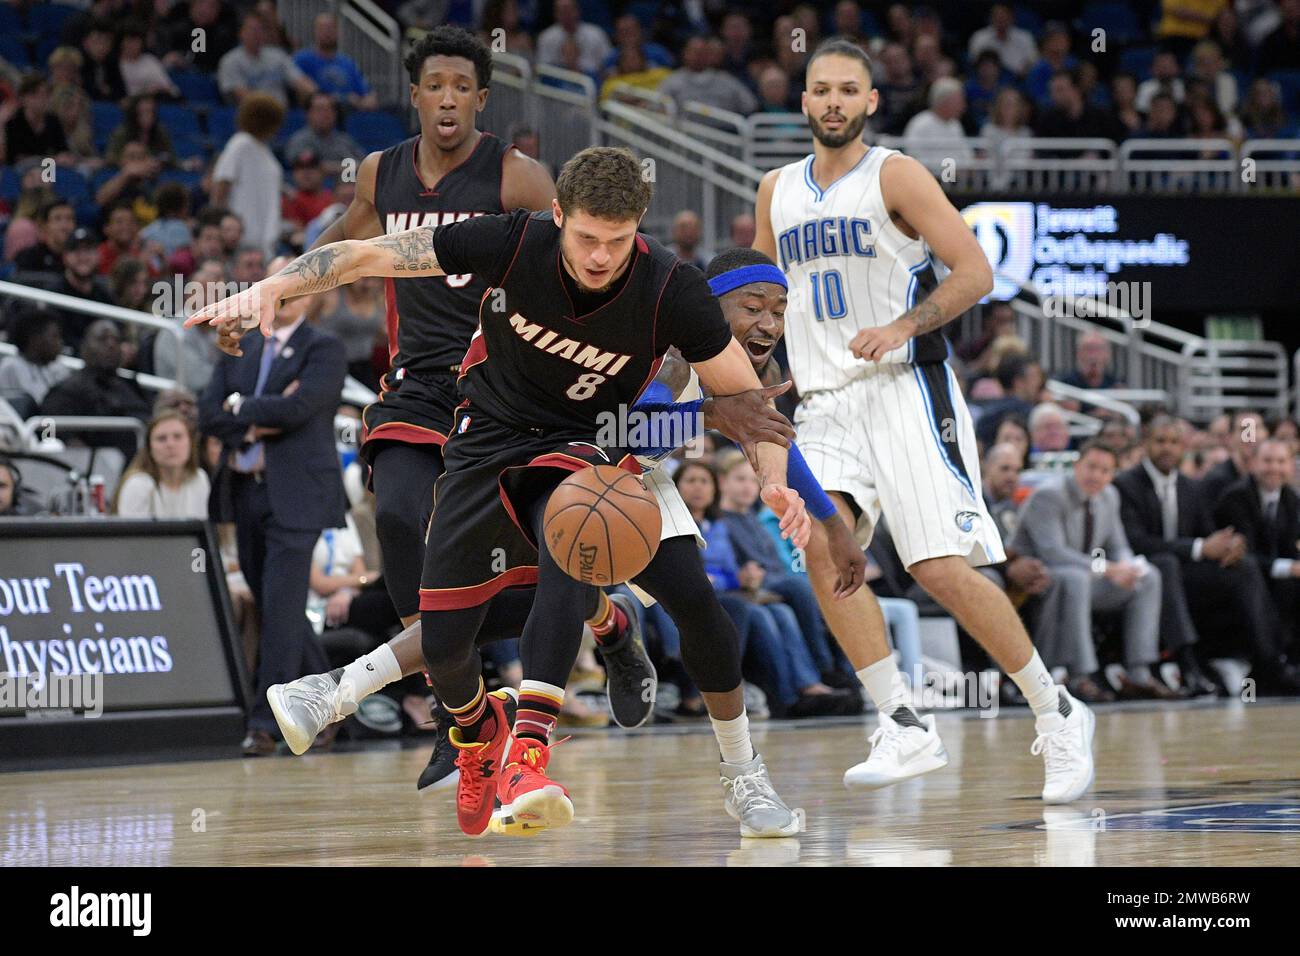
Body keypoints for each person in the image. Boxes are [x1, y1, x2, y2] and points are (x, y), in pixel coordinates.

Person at [188, 146, 811, 838]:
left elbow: (751, 407)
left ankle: (601, 761)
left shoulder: (671, 288)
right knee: (450, 639)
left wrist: (778, 486)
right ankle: (491, 722)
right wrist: (276, 287)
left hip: (594, 449)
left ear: (638, 228)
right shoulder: (513, 242)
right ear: (556, 216)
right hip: (486, 437)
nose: (602, 257)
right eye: (585, 239)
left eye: (617, 241)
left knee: (628, 569)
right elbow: (367, 255)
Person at [755, 38, 1095, 803]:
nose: (834, 101)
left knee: (939, 567)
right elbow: (761, 298)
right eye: (821, 90)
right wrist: (751, 374)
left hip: (907, 386)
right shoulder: (774, 188)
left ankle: (1058, 707)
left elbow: (975, 270)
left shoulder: (896, 174)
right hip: (822, 402)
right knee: (821, 547)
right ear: (803, 102)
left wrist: (904, 327)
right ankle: (902, 721)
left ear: (872, 101)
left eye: (849, 89)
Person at [198, 257, 349, 756]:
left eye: (295, 290)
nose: (284, 298)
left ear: (313, 296)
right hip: (245, 490)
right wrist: (258, 417)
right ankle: (329, 703)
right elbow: (206, 413)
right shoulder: (244, 344)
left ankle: (266, 724)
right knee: (274, 606)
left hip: (297, 494)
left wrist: (240, 408)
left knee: (282, 607)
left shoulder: (324, 347)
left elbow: (302, 409)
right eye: (277, 289)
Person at [1114, 415, 1264, 696]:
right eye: (1160, 441)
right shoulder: (1126, 484)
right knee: (1166, 565)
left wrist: (1228, 545)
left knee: (1244, 568)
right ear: (1146, 444)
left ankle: (1264, 659)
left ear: (1183, 447)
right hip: (1143, 570)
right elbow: (1137, 542)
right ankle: (1188, 665)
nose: (1167, 448)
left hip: (1184, 574)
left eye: (1173, 442)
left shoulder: (1189, 487)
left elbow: (1207, 533)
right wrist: (1198, 548)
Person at [1013, 441, 1173, 699]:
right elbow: (1053, 553)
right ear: (1077, 466)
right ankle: (1081, 676)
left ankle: (1139, 673)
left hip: (1085, 577)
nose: (1096, 475)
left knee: (1149, 577)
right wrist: (1108, 569)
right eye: (1091, 467)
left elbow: (1118, 546)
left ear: (1112, 475)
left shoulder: (1110, 496)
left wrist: (1128, 567)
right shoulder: (1049, 495)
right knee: (1077, 579)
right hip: (1039, 576)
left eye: (1105, 470)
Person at [1213, 438, 1300, 693]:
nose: (1274, 468)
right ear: (1253, 464)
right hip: (1236, 576)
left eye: (1281, 461)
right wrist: (1289, 567)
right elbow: (1243, 555)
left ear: (1291, 467)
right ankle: (1272, 665)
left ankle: (1292, 661)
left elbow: (1291, 547)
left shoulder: (1291, 499)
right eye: (1268, 461)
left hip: (1273, 577)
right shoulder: (1235, 497)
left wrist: (1291, 565)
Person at [39, 319, 152, 461]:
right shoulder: (67, 391)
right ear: (85, 347)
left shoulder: (130, 386)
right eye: (102, 339)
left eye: (115, 340)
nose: (111, 345)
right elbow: (48, 433)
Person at [211, 93, 285, 257]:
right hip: (242, 228)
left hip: (266, 228)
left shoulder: (265, 151)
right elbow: (223, 181)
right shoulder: (240, 143)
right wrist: (217, 223)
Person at [113, 410, 211, 518]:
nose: (170, 444)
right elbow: (132, 533)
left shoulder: (199, 478)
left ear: (190, 443)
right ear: (149, 448)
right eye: (161, 439)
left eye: (178, 437)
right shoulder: (137, 484)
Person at [218, 12, 316, 107]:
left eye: (260, 30)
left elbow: (299, 80)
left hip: (282, 114)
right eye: (252, 29)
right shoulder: (230, 60)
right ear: (241, 33)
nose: (255, 34)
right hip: (249, 115)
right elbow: (241, 95)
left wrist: (317, 96)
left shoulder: (278, 56)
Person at [293, 13, 378, 110]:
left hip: (352, 111)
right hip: (320, 111)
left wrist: (368, 100)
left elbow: (367, 92)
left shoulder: (347, 63)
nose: (327, 33)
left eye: (330, 29)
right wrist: (341, 99)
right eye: (322, 29)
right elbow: (302, 91)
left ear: (337, 32)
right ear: (315, 32)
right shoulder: (301, 59)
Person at [657, 35, 758, 116]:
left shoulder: (726, 80)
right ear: (685, 54)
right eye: (695, 52)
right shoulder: (671, 81)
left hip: (725, 135)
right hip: (683, 135)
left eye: (703, 52)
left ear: (710, 55)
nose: (699, 56)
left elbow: (750, 106)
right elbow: (658, 109)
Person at [0, 304, 71, 410]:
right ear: (35, 339)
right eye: (55, 336)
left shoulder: (59, 368)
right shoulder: (10, 367)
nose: (60, 343)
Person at [282, 93, 364, 177]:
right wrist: (350, 167)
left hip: (347, 186)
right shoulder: (299, 139)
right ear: (308, 114)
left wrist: (331, 167)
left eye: (330, 109)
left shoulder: (345, 140)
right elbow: (311, 167)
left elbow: (364, 165)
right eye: (319, 109)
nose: (325, 114)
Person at [1, 74, 72, 167]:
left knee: (82, 170)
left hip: (49, 166)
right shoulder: (14, 121)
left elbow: (63, 150)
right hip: (22, 171)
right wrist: (52, 159)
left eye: (46, 94)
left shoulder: (52, 120)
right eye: (37, 94)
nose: (43, 99)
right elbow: (15, 158)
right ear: (24, 97)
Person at [536, 0, 611, 75]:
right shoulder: (546, 37)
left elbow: (608, 65)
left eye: (569, 10)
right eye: (562, 12)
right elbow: (543, 70)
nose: (566, 15)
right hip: (557, 81)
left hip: (592, 79)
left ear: (577, 11)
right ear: (555, 14)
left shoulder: (596, 34)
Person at [12, 199, 76, 276]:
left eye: (69, 219)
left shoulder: (81, 257)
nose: (64, 226)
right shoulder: (29, 257)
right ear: (44, 225)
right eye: (57, 219)